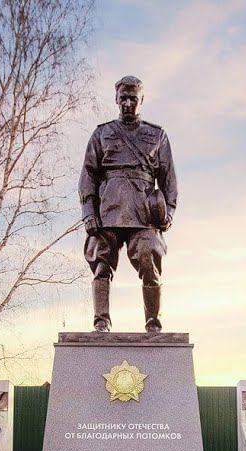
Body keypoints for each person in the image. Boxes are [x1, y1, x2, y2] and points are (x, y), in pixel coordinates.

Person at [79, 75, 177, 332]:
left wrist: (169, 212)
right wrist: (89, 212)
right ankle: (101, 322)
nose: (127, 103)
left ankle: (153, 323)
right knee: (101, 264)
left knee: (150, 260)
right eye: (123, 98)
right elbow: (88, 174)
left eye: (133, 98)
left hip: (144, 213)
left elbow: (168, 179)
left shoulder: (157, 135)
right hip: (107, 210)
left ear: (141, 100)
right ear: (116, 99)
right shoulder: (102, 134)